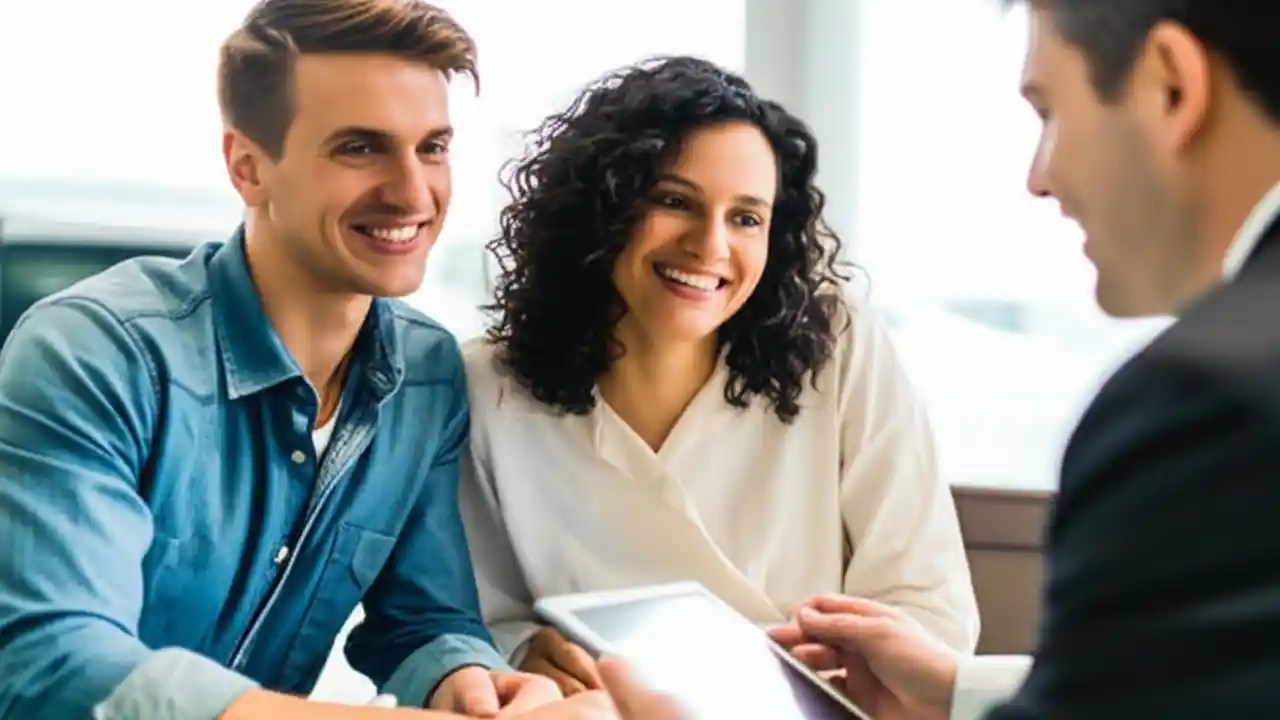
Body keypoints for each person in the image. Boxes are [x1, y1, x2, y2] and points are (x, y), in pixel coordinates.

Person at [0, 1, 618, 718]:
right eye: (360, 148)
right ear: (247, 167)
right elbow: (54, 667)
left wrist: (478, 686)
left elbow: (422, 621)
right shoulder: (96, 353)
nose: (413, 193)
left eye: (433, 148)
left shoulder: (425, 372)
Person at [765, 1, 1280, 718]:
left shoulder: (1206, 400)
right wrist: (956, 690)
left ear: (1171, 85)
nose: (1040, 178)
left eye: (1048, 113)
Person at [457, 55, 980, 698]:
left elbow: (927, 607)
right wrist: (526, 650)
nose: (710, 247)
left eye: (746, 218)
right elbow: (476, 617)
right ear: (602, 211)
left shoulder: (839, 346)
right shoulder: (488, 384)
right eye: (675, 202)